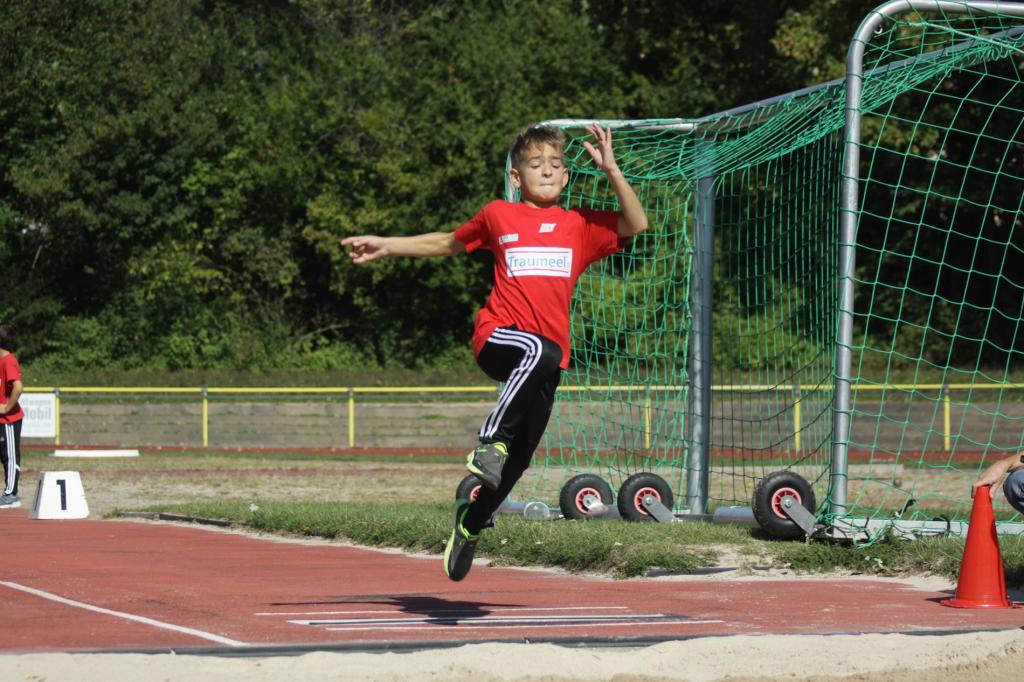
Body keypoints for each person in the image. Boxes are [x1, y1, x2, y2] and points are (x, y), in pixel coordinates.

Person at [341, 123, 648, 580]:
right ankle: (490, 441)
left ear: (566, 178)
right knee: (536, 353)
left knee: (521, 456)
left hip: (546, 361)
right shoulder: (499, 214)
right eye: (535, 163)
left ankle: (471, 522)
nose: (547, 170)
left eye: (556, 165)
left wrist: (612, 169)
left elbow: (636, 224)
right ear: (516, 177)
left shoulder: (580, 225)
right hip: (498, 338)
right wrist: (387, 245)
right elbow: (447, 243)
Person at [0, 324, 25, 509]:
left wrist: (7, 408)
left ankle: (11, 494)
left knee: (10, 456)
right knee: (3, 455)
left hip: (9, 420)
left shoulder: (8, 360)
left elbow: (18, 386)